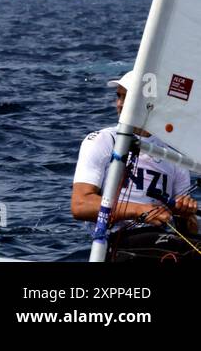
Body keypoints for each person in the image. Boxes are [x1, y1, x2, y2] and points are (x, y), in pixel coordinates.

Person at [71, 72, 198, 258]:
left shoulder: (174, 157)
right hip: (119, 241)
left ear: (149, 104)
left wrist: (185, 214)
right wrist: (139, 210)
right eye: (119, 96)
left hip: (163, 240)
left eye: (127, 97)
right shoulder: (103, 141)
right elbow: (80, 205)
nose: (120, 104)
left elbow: (189, 231)